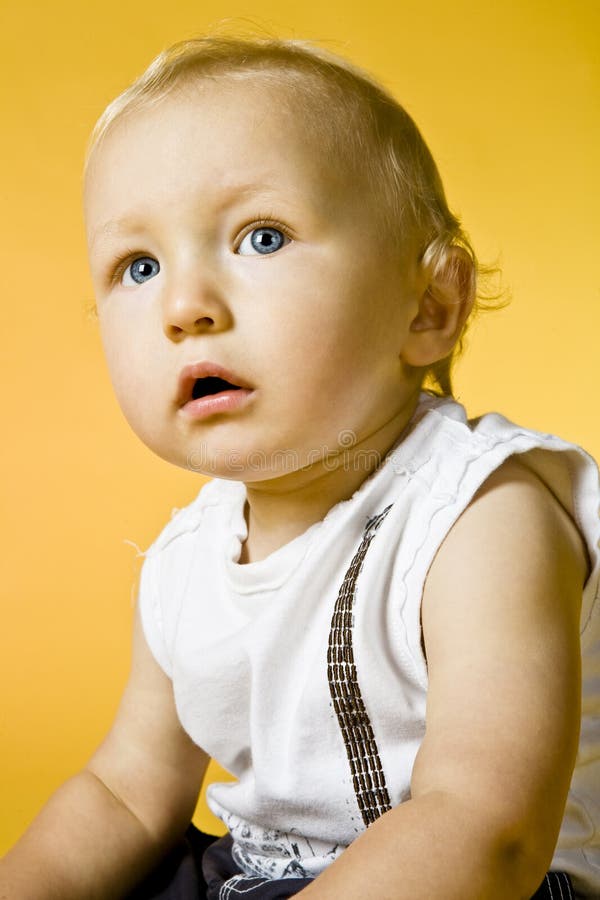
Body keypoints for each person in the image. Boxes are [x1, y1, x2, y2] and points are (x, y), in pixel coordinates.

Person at [2, 33, 599, 900]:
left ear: (429, 306)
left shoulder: (478, 516)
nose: (186, 307)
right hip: (257, 877)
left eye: (262, 238)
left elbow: (485, 824)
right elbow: (126, 797)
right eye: (139, 266)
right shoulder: (186, 561)